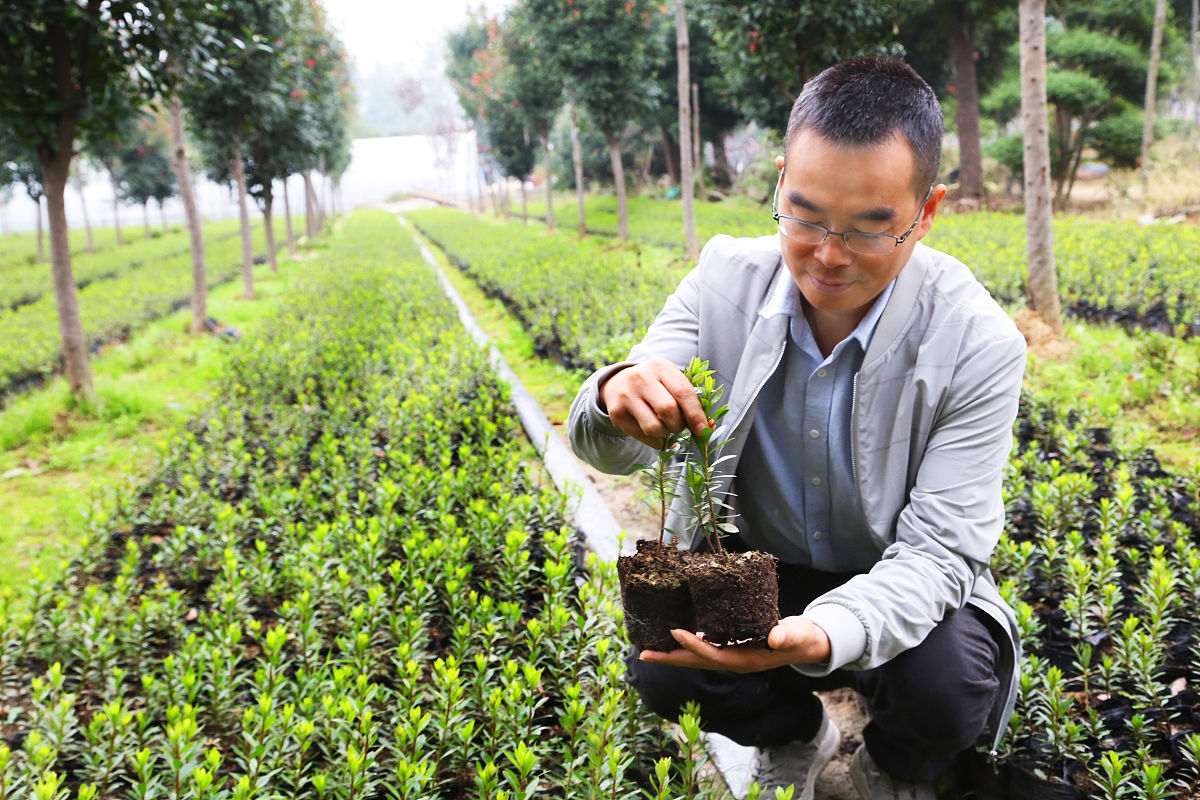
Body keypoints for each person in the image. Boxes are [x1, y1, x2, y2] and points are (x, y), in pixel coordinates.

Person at [567, 57, 1025, 800]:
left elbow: (940, 553)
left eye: (870, 228)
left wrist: (823, 634)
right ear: (780, 183)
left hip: (893, 570)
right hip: (759, 566)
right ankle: (794, 733)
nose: (829, 256)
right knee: (667, 667)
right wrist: (615, 392)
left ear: (927, 212)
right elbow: (607, 445)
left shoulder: (977, 341)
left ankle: (888, 766)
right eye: (805, 217)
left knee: (949, 689)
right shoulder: (722, 282)